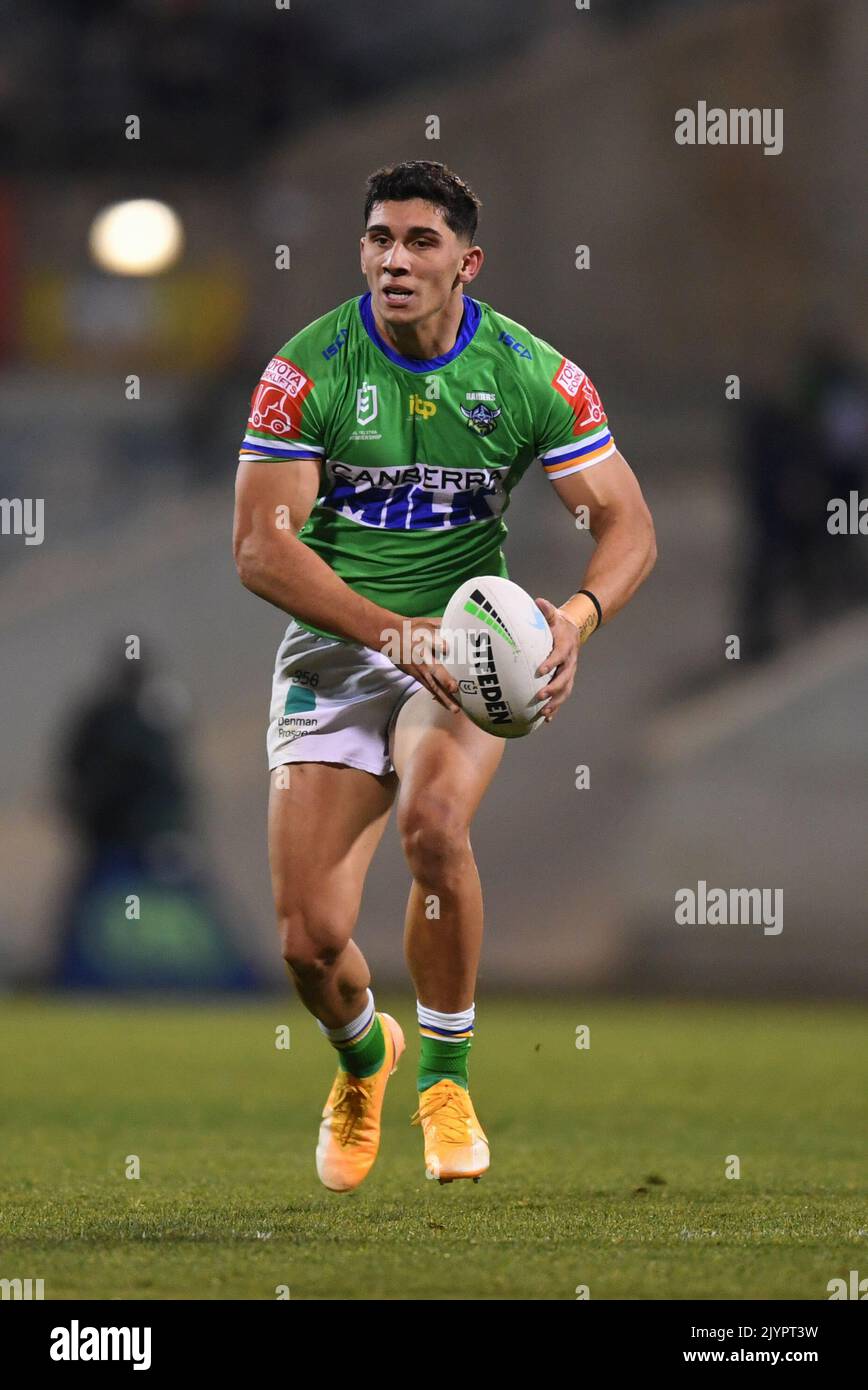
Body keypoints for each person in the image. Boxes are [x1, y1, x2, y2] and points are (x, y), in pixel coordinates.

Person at [233, 160, 656, 1190]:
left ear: (467, 262)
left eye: (420, 241)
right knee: (307, 940)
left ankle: (447, 1082)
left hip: (466, 654)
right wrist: (387, 632)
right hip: (341, 650)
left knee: (433, 824)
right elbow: (262, 550)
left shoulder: (530, 374)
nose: (394, 259)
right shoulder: (309, 369)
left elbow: (626, 523)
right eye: (378, 238)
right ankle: (363, 1056)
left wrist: (577, 617)